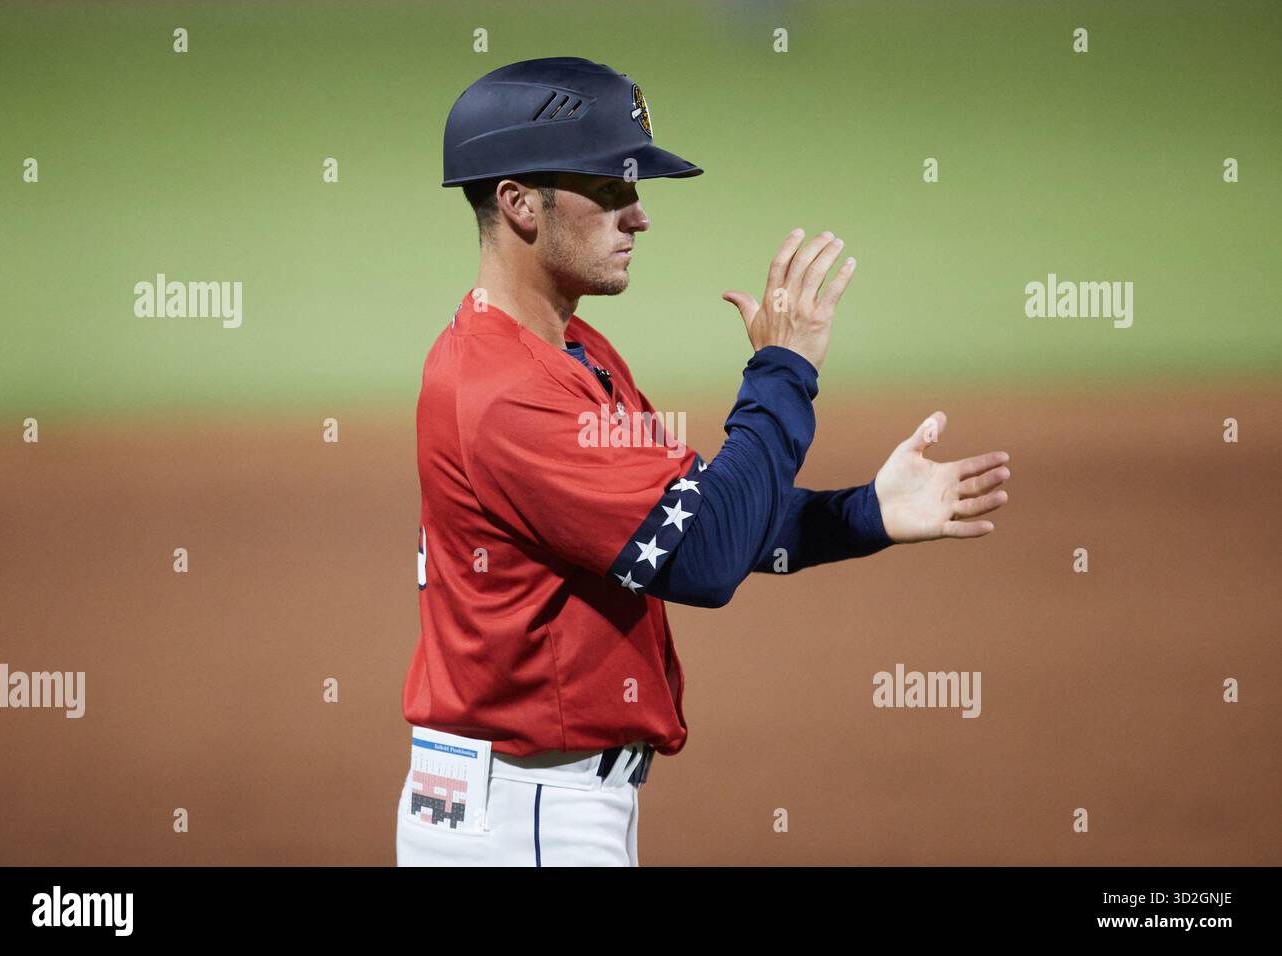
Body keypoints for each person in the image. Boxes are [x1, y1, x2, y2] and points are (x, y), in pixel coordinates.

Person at [396, 56, 1011, 866]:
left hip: (537, 803)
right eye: (611, 188)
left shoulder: (572, 351)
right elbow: (706, 559)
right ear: (518, 204)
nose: (639, 215)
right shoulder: (506, 393)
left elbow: (697, 512)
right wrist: (783, 374)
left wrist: (864, 512)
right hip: (526, 816)